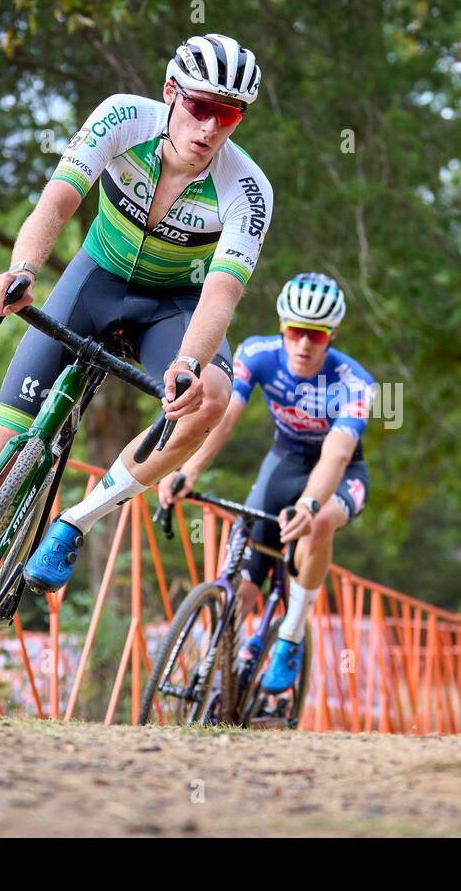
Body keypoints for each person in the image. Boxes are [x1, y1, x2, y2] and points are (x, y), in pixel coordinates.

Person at [0, 33, 273, 673]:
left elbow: (221, 291)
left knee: (210, 396)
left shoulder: (247, 187)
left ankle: (74, 521)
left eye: (230, 114)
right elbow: (58, 200)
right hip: (95, 279)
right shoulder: (122, 118)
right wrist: (22, 269)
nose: (211, 126)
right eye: (200, 106)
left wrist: (187, 363)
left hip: (174, 309)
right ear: (169, 94)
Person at [159, 272, 373, 693]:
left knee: (317, 525)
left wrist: (311, 504)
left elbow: (338, 453)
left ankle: (290, 635)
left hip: (340, 473)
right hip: (285, 461)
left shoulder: (355, 382)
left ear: (332, 334)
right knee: (242, 583)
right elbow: (222, 420)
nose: (303, 344)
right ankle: (215, 679)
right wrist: (189, 468)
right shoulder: (257, 353)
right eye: (295, 331)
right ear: (282, 326)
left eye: (316, 335)